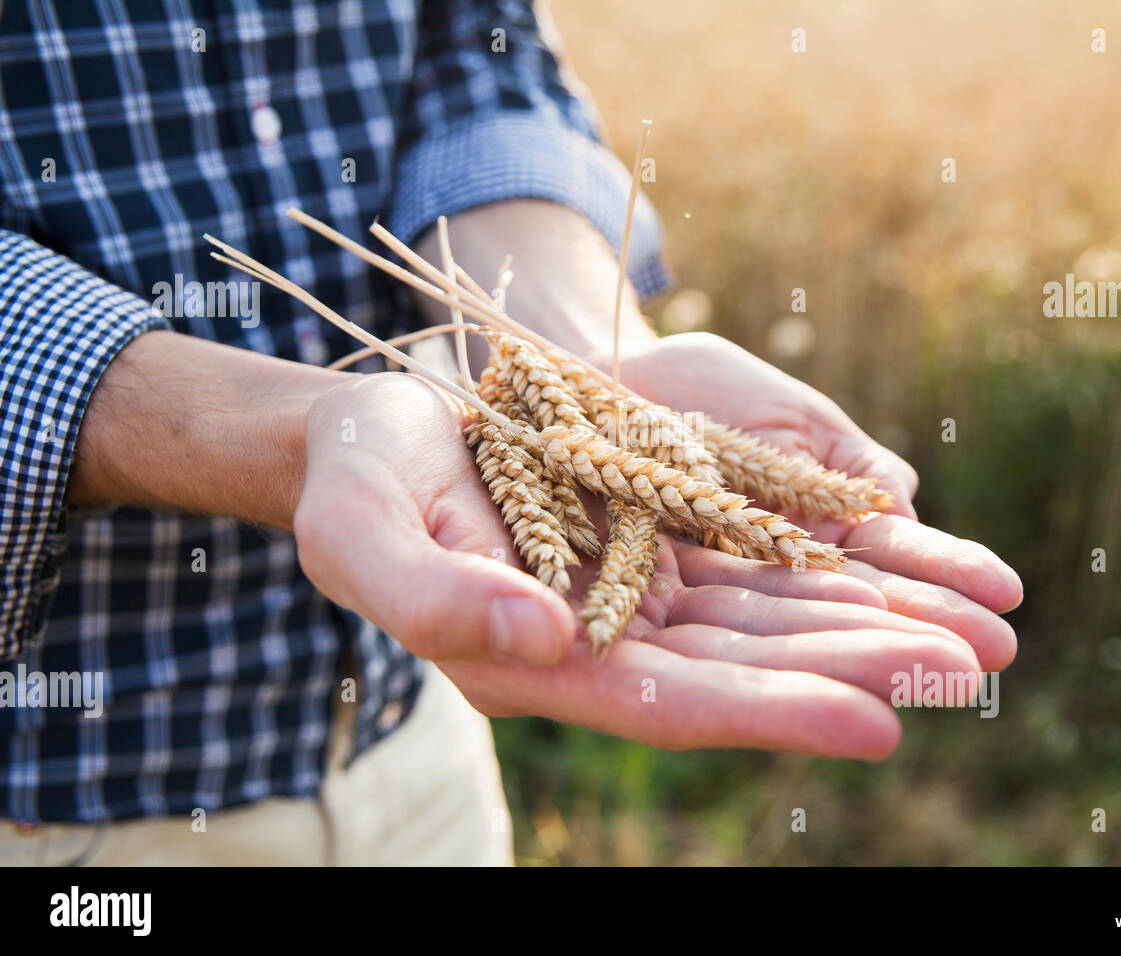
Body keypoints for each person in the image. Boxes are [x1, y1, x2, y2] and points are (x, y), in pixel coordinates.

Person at [0, 0, 1021, 865]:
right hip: (63, 814)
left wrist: (583, 342)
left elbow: (480, 63)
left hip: (419, 754)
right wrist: (288, 428)